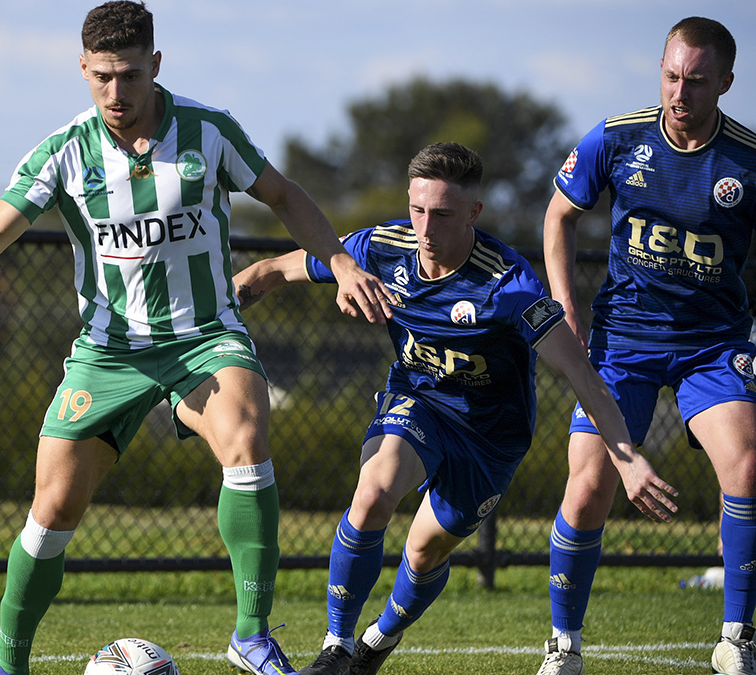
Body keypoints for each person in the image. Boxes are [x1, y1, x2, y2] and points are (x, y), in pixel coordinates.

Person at [0, 3, 395, 674]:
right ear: (83, 70)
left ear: (154, 65)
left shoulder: (209, 132)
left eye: (127, 76)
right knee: (52, 509)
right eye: (100, 78)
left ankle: (250, 634)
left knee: (246, 434)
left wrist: (344, 262)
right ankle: (11, 666)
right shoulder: (64, 150)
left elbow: (286, 195)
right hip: (108, 350)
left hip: (204, 335)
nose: (115, 94)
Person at [232, 143, 678, 675]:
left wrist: (627, 459)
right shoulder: (381, 246)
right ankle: (336, 647)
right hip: (417, 400)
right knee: (373, 492)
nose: (425, 226)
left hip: (490, 436)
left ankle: (379, 640)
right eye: (418, 209)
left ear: (473, 213)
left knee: (425, 552)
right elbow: (274, 271)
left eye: (442, 214)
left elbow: (581, 373)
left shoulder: (508, 285)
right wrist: (219, 308)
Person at [533, 16, 756, 675]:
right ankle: (564, 645)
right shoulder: (616, 136)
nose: (678, 92)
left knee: (746, 469)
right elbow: (557, 216)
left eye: (694, 81)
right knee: (589, 485)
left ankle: (737, 638)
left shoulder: (747, 160)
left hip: (713, 347)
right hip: (621, 343)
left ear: (725, 82)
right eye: (669, 76)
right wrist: (566, 309)